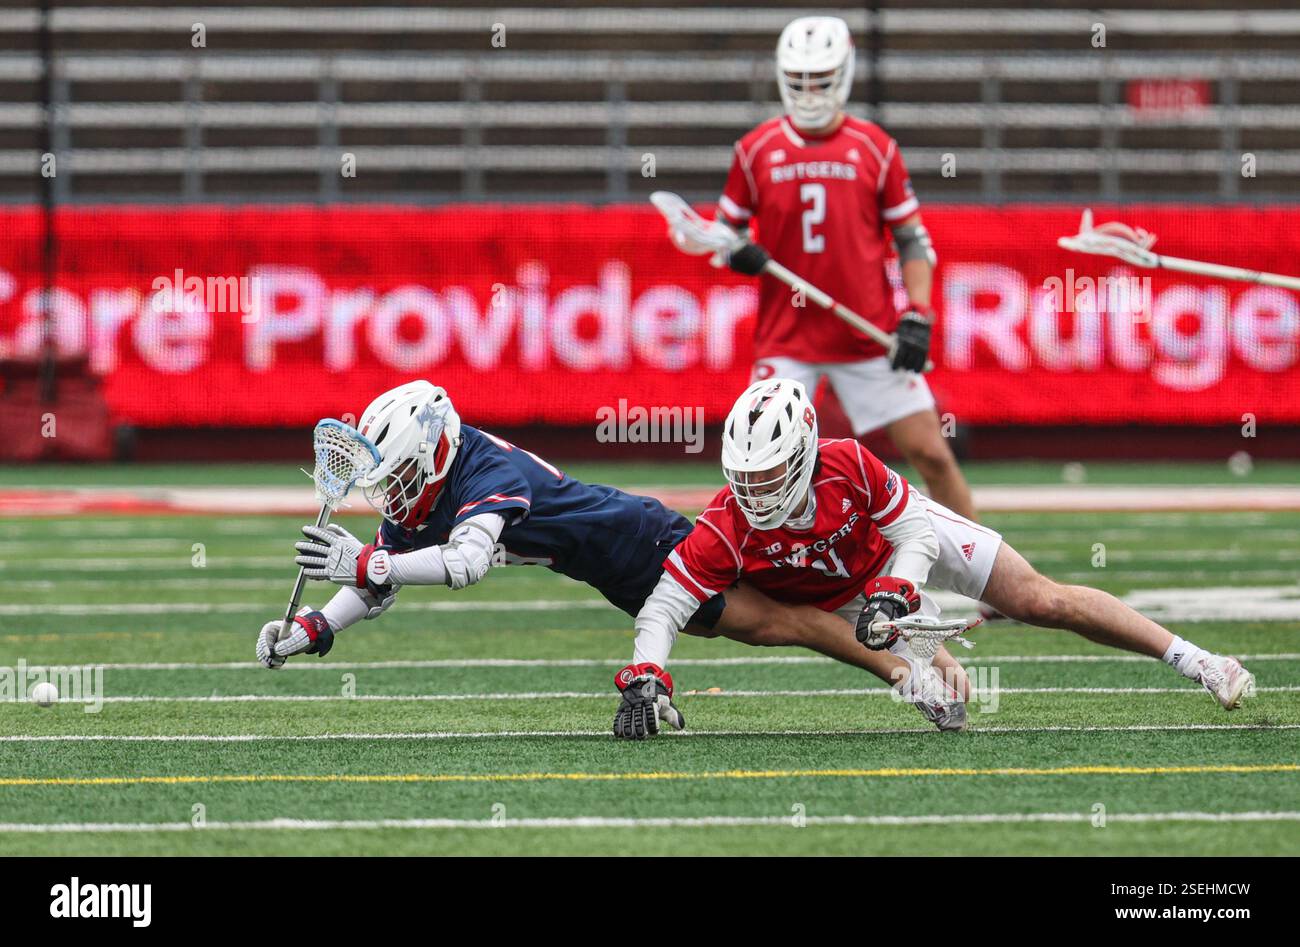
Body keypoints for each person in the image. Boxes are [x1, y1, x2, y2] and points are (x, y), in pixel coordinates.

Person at [253, 379, 965, 730]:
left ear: (434, 452)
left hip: (643, 543)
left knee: (786, 618)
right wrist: (315, 627)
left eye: (402, 476)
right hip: (614, 567)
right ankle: (918, 642)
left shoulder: (484, 472)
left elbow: (462, 564)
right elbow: (381, 579)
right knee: (789, 605)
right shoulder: (431, 482)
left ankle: (914, 667)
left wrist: (367, 564)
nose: (396, 495)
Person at [611, 378, 1256, 739]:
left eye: (770, 470)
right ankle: (919, 660)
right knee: (954, 702)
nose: (754, 489)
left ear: (805, 451)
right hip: (849, 588)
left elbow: (916, 532)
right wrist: (646, 672)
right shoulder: (729, 522)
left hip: (903, 546)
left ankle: (1199, 662)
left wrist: (900, 592)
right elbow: (668, 600)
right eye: (744, 474)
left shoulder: (848, 464)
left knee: (1039, 600)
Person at [715, 15, 976, 523]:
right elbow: (721, 237)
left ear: (843, 74)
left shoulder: (875, 148)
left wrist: (918, 313)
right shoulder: (755, 150)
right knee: (759, 468)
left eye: (821, 79)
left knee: (932, 454)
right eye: (800, 80)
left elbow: (912, 240)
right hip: (787, 339)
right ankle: (752, 587)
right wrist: (736, 250)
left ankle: (988, 578)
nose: (810, 92)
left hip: (866, 334)